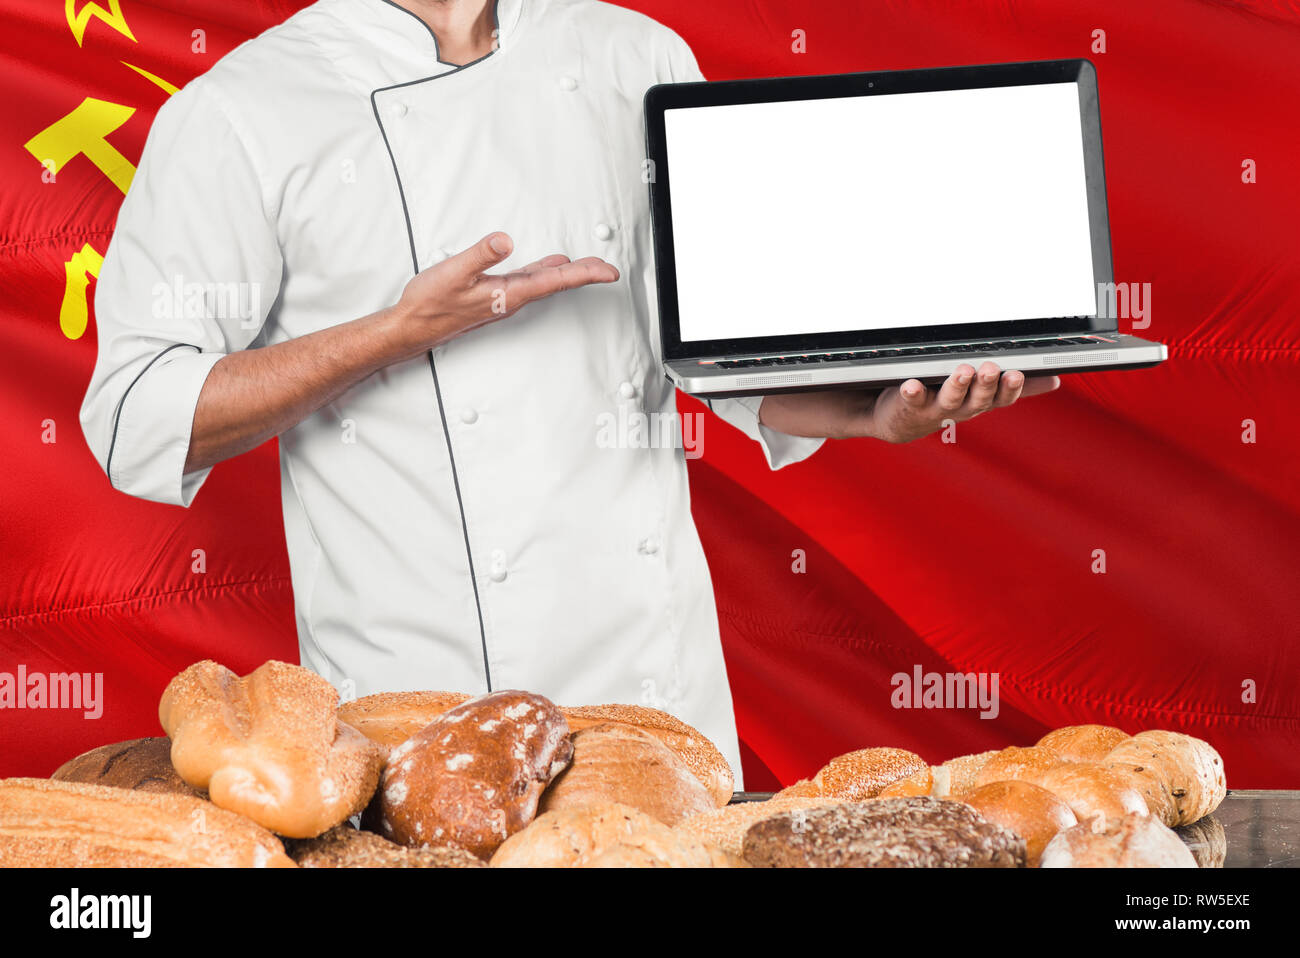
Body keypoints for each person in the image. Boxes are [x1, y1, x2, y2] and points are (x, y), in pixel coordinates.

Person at [80, 0, 1057, 783]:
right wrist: (394, 333)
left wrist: (878, 411)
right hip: (419, 728)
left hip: (659, 705)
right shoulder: (243, 111)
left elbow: (711, 358)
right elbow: (135, 416)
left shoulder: (634, 54)